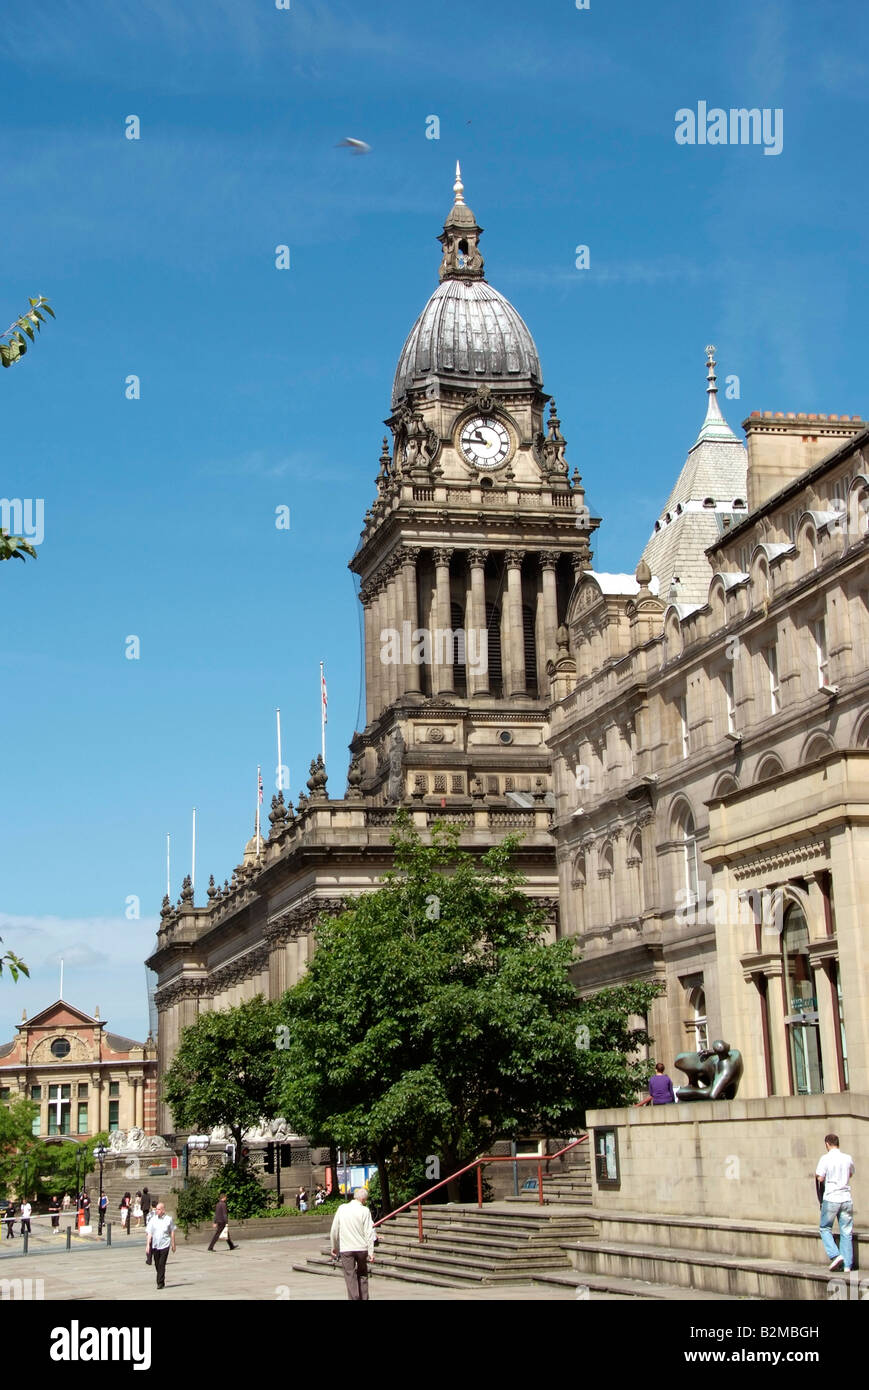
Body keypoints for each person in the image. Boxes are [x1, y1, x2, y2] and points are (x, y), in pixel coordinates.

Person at [815, 1133, 855, 1273]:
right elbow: (850, 1174)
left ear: (827, 1144)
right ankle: (847, 1265)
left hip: (831, 1198)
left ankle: (835, 1255)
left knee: (825, 1228)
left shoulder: (825, 1158)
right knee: (846, 1232)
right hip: (846, 1198)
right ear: (838, 1143)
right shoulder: (847, 1158)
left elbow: (820, 1178)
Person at [330, 1188, 375, 1301]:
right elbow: (369, 1232)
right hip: (361, 1248)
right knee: (363, 1274)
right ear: (363, 1199)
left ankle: (354, 1298)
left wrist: (334, 1247)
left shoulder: (342, 1208)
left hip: (346, 1249)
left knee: (350, 1275)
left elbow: (334, 1229)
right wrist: (371, 1252)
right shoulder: (365, 1211)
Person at [145, 1201, 176, 1290]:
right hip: (155, 1245)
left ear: (163, 1210)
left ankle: (160, 1282)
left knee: (162, 1264)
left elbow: (172, 1231)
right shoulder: (153, 1219)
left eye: (158, 1209)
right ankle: (160, 1277)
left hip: (165, 1244)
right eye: (156, 1209)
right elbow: (149, 1233)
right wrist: (147, 1245)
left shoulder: (168, 1219)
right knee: (157, 1264)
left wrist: (173, 1244)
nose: (157, 1211)